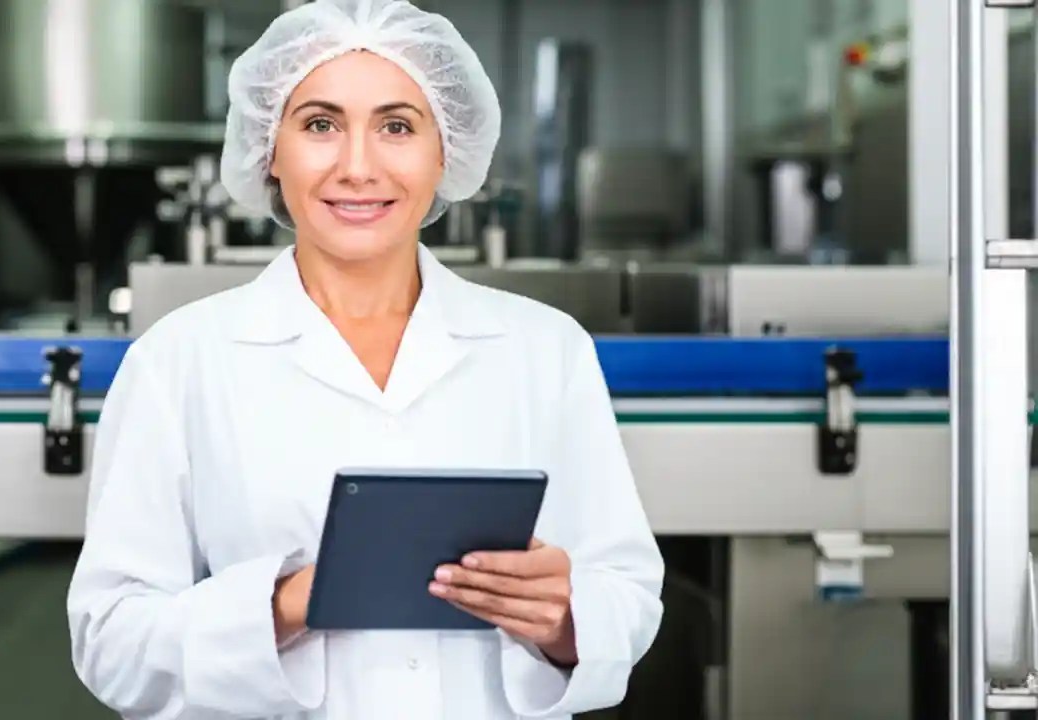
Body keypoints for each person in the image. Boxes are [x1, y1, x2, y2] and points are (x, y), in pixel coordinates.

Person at [66, 0, 664, 717]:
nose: (357, 166)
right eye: (320, 125)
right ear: (270, 151)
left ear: (445, 151)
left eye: (397, 126)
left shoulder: (546, 350)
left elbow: (625, 593)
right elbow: (111, 641)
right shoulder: (177, 363)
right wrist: (285, 603)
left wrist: (567, 621)